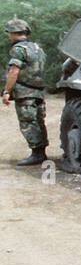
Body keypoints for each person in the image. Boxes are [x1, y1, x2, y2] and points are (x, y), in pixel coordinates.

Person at [2, 18, 49, 166]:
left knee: (28, 122)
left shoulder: (18, 49)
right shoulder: (37, 48)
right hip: (39, 91)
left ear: (14, 33)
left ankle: (37, 154)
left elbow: (14, 72)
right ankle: (41, 152)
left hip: (25, 92)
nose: (9, 36)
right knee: (39, 121)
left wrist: (6, 91)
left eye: (9, 33)